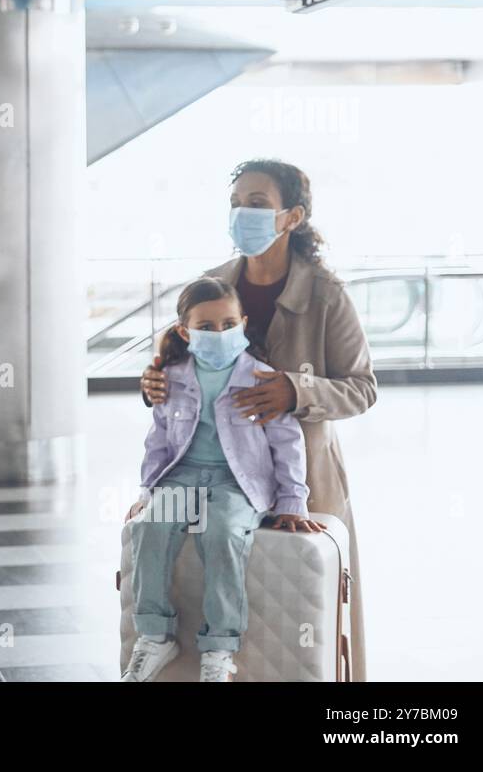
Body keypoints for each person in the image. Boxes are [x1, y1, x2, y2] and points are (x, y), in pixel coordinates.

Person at [139, 159, 377, 680]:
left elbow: (363, 388)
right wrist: (152, 382)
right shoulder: (215, 285)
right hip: (216, 482)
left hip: (304, 478)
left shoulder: (326, 295)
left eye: (256, 203)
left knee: (303, 618)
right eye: (236, 203)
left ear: (291, 217)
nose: (241, 213)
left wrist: (296, 389)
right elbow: (181, 363)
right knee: (226, 614)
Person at [122, 276, 322, 682]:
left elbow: (288, 446)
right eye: (207, 327)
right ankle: (156, 635)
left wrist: (292, 503)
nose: (220, 334)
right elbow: (158, 440)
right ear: (185, 331)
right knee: (151, 527)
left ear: (243, 323)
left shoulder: (262, 379)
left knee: (223, 533)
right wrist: (148, 493)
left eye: (229, 324)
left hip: (238, 483)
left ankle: (219, 648)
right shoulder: (172, 377)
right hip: (183, 478)